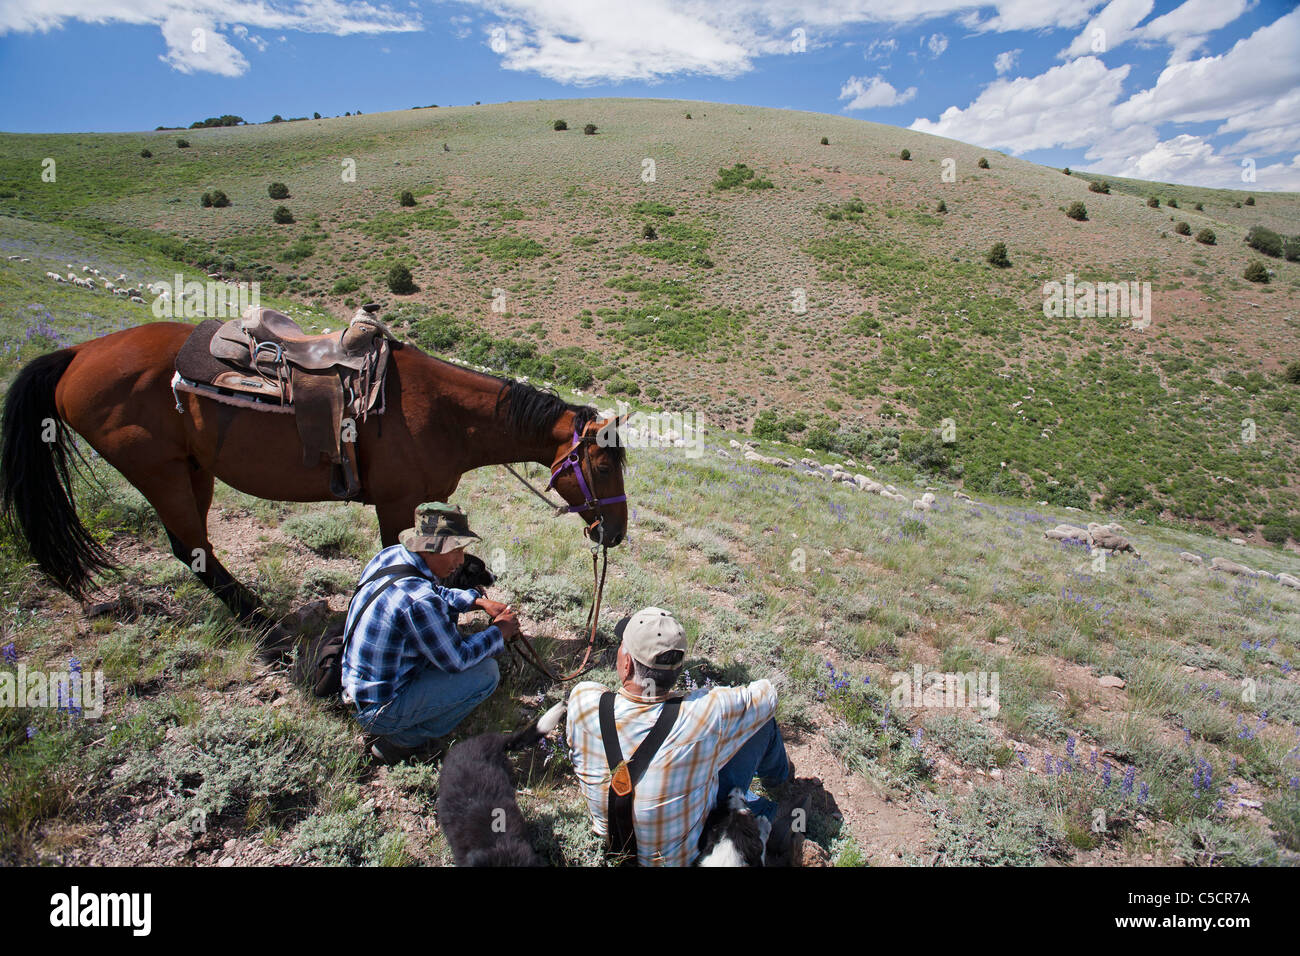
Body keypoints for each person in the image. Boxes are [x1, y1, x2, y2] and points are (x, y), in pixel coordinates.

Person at [566, 606, 793, 865]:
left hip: (612, 843)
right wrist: (692, 697)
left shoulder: (582, 701)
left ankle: (763, 813)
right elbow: (768, 695)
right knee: (761, 724)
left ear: (626, 663)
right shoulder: (706, 712)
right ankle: (776, 791)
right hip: (680, 857)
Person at [341, 502, 520, 764]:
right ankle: (401, 740)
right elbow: (459, 659)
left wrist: (476, 601)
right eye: (456, 550)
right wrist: (498, 632)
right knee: (486, 674)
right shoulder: (419, 601)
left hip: (357, 687)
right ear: (433, 548)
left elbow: (434, 591)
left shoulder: (391, 556)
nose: (460, 561)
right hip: (378, 709)